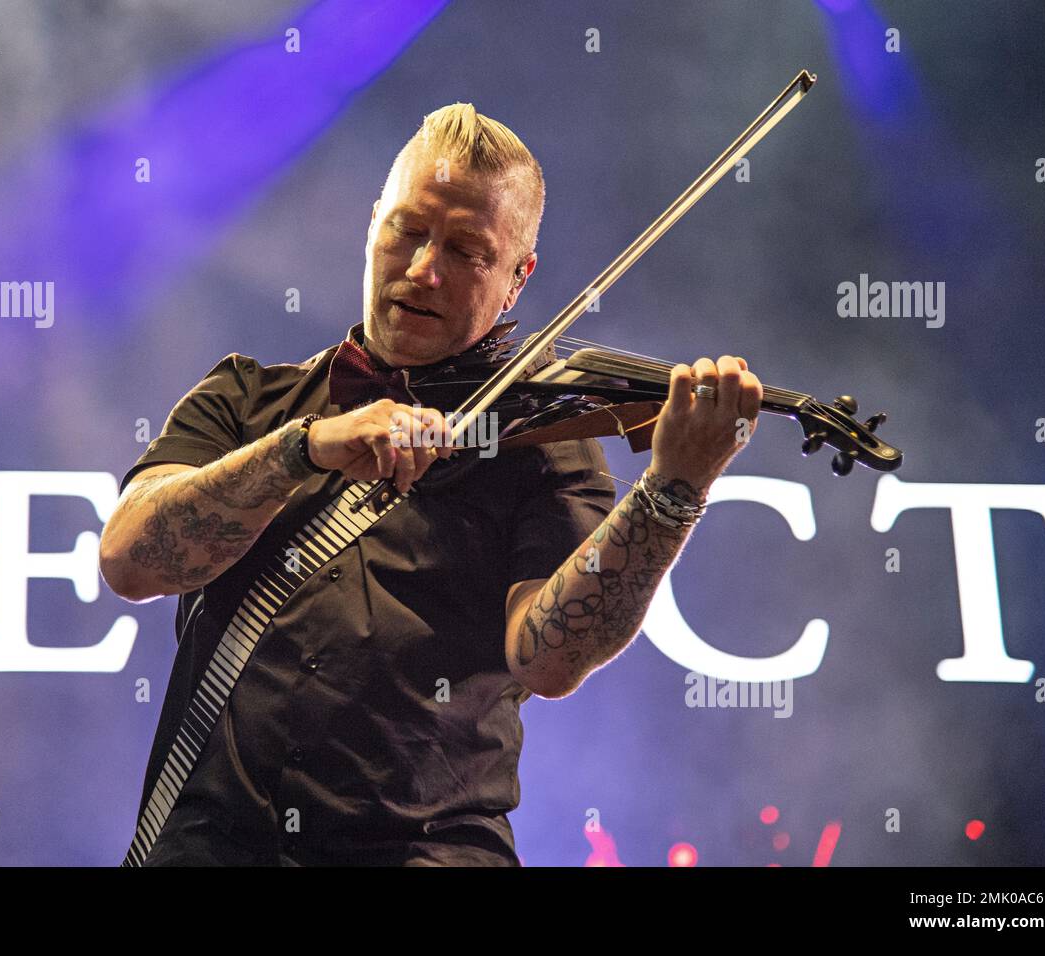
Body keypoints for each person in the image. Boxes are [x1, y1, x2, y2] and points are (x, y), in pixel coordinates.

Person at [99, 103, 763, 866]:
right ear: (372, 223)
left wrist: (673, 492)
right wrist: (303, 451)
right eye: (407, 230)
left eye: (466, 250)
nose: (423, 269)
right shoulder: (246, 398)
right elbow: (129, 561)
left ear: (517, 281)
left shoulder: (545, 447)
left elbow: (548, 661)